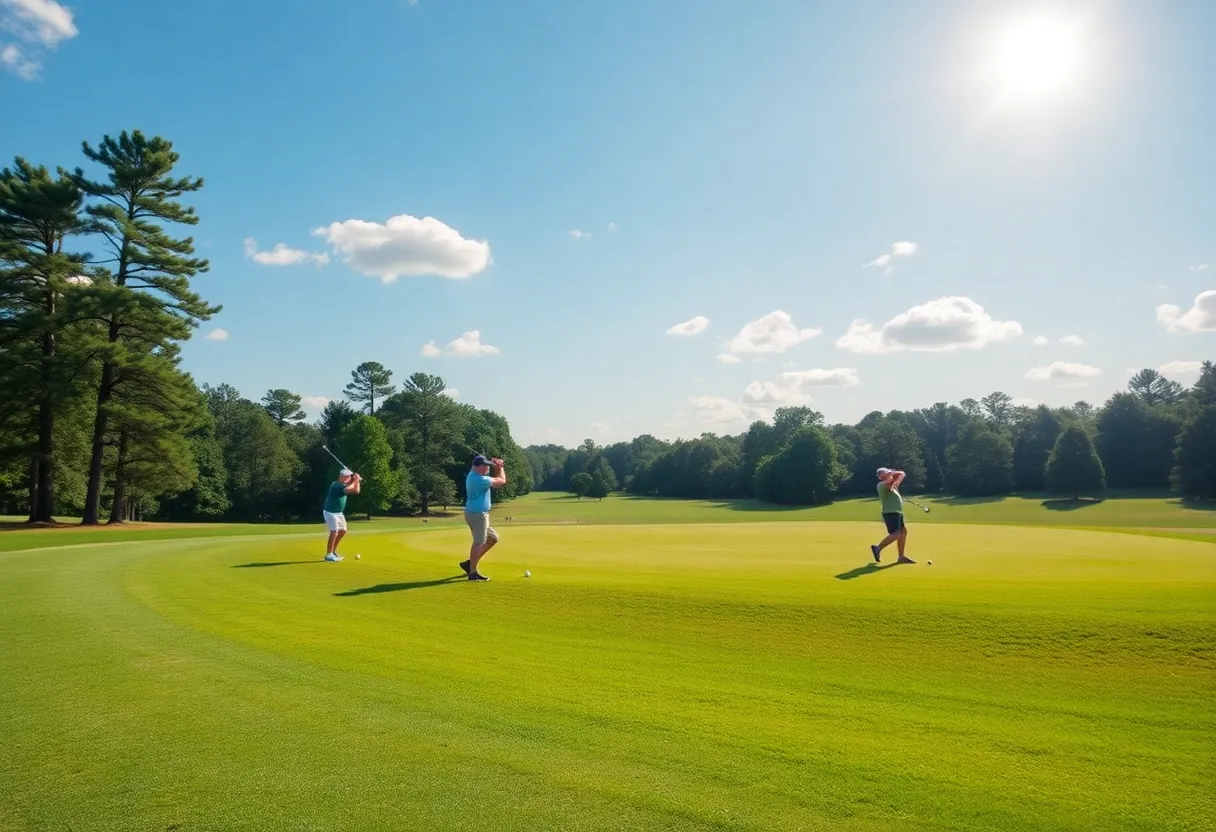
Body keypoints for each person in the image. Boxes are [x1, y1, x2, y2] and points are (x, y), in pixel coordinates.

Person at [459, 454, 506, 581]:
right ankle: (473, 573)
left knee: (493, 538)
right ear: (477, 467)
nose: (488, 469)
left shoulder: (476, 475)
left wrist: (494, 464)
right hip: (477, 515)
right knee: (478, 542)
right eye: (485, 466)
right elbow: (501, 481)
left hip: (477, 514)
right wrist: (500, 466)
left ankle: (470, 564)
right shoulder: (479, 480)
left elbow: (496, 482)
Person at [871, 466, 914, 564]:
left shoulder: (892, 486)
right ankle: (877, 548)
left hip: (897, 512)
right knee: (896, 534)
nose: (889, 474)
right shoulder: (881, 484)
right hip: (890, 512)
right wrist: (891, 473)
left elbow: (900, 476)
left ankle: (901, 557)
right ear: (881, 476)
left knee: (903, 532)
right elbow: (900, 474)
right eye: (885, 474)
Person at [323, 467, 361, 562]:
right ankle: (329, 555)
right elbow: (356, 491)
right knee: (334, 531)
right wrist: (356, 480)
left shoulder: (342, 484)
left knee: (343, 531)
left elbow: (354, 488)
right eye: (349, 477)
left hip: (338, 513)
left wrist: (356, 480)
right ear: (343, 477)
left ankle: (333, 552)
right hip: (330, 512)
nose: (350, 478)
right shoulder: (337, 486)